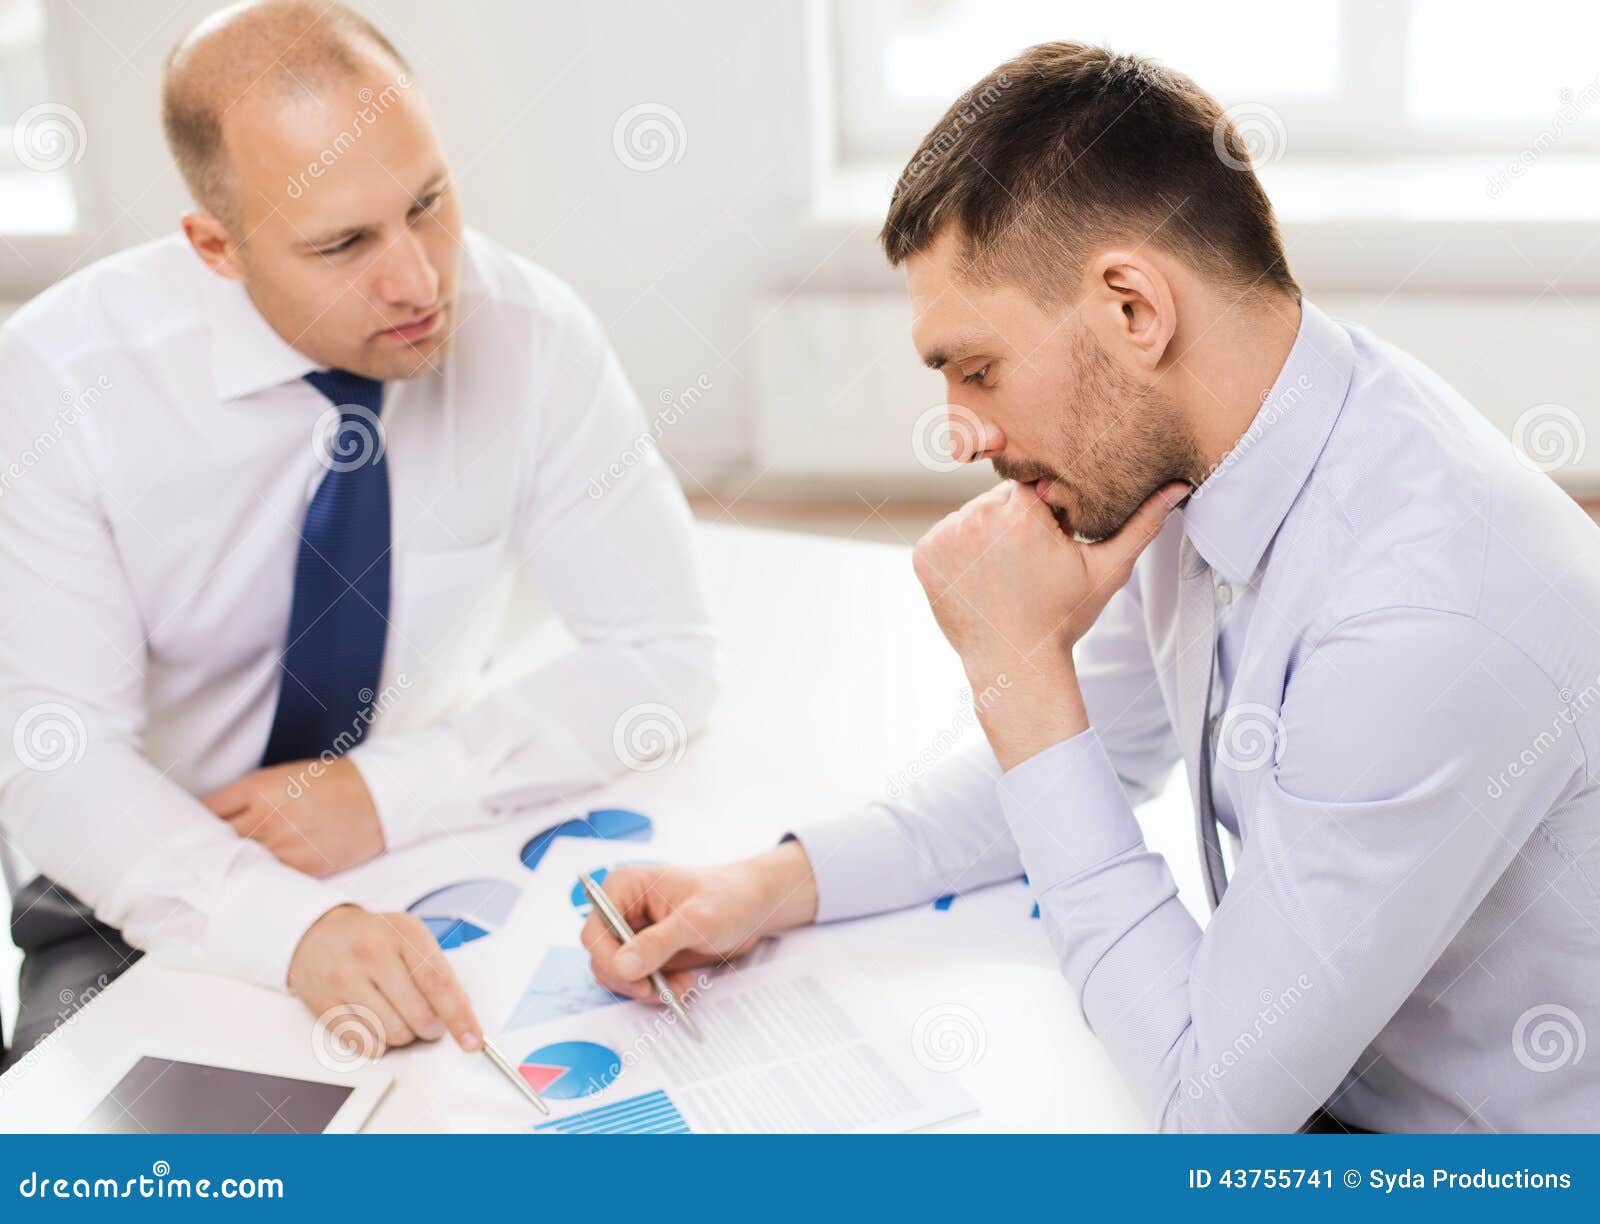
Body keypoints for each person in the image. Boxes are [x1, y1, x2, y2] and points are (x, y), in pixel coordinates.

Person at [582, 43, 1600, 1133]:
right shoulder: (1212, 448)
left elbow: (1206, 1116)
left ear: (1131, 309)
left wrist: (1019, 675)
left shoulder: (1416, 619)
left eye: (977, 370)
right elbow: (1080, 762)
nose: (963, 430)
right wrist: (765, 885)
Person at [0, 1, 716, 1065]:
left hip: (422, 842)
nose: (421, 282)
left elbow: (665, 661)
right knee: (93, 1162)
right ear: (215, 247)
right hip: (140, 884)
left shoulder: (534, 336)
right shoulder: (60, 381)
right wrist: (291, 929)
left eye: (427, 203)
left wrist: (385, 793)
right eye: (343, 244)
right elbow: (59, 766)